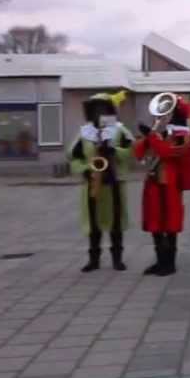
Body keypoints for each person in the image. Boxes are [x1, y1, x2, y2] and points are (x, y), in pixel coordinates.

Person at [67, 91, 135, 272]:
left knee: (115, 222)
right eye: (96, 109)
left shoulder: (120, 130)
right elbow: (73, 157)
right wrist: (84, 169)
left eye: (103, 109)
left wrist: (115, 151)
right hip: (92, 185)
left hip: (114, 184)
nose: (99, 113)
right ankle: (94, 259)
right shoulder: (85, 133)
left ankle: (117, 259)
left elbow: (133, 152)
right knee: (93, 223)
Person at [134, 97, 190, 277]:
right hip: (153, 183)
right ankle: (159, 260)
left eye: (168, 112)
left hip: (170, 185)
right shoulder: (159, 133)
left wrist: (153, 136)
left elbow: (167, 152)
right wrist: (146, 138)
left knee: (170, 222)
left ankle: (169, 263)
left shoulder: (181, 136)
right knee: (154, 222)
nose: (162, 116)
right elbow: (138, 154)